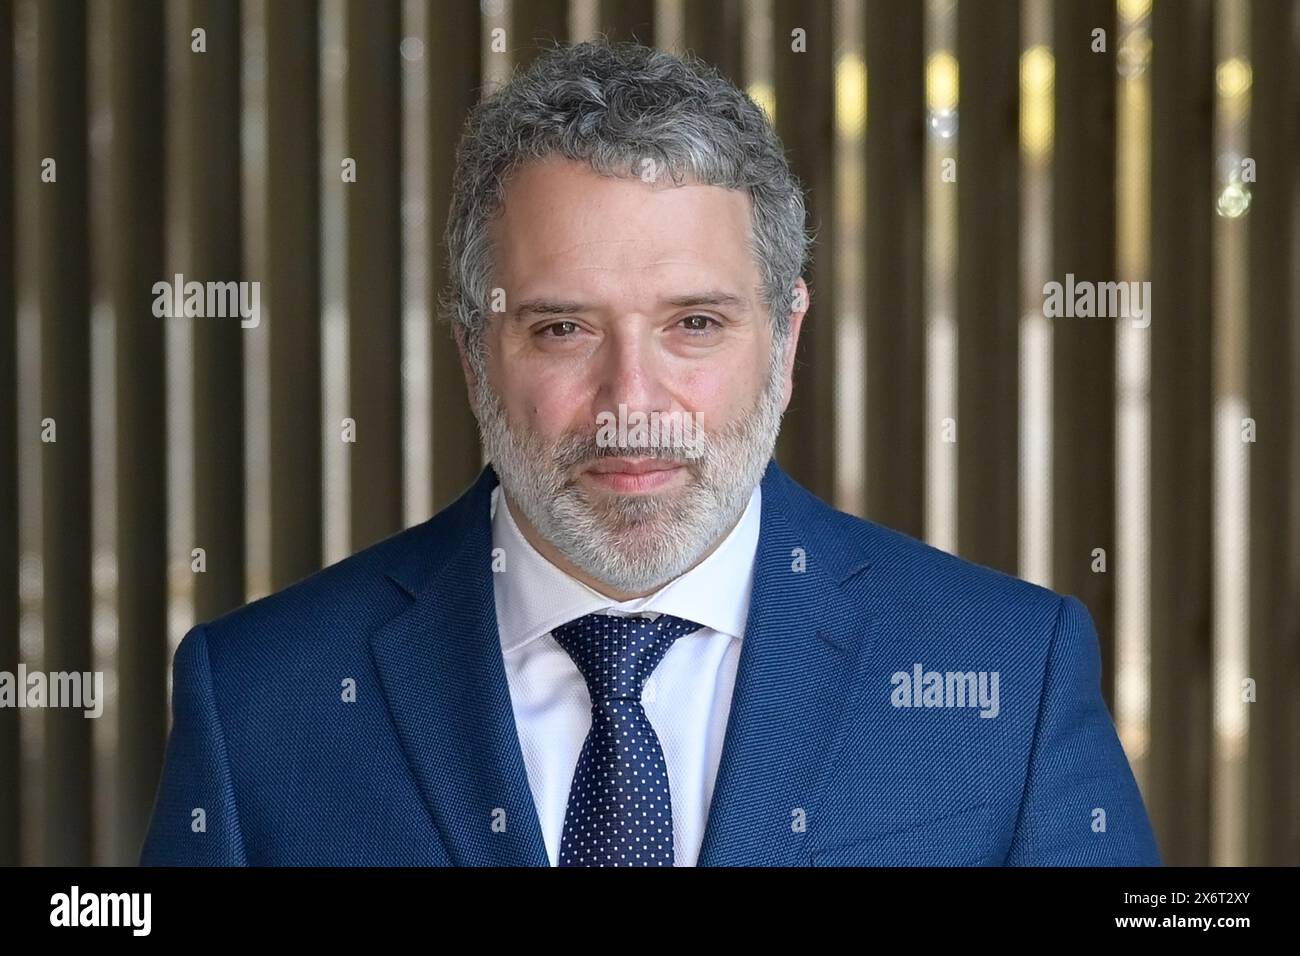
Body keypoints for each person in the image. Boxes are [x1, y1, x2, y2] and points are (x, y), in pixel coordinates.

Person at [140, 40, 1160, 867]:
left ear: (787, 339)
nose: (632, 402)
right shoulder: (262, 701)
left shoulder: (1006, 673)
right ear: (471, 351)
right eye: (562, 329)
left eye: (696, 324)